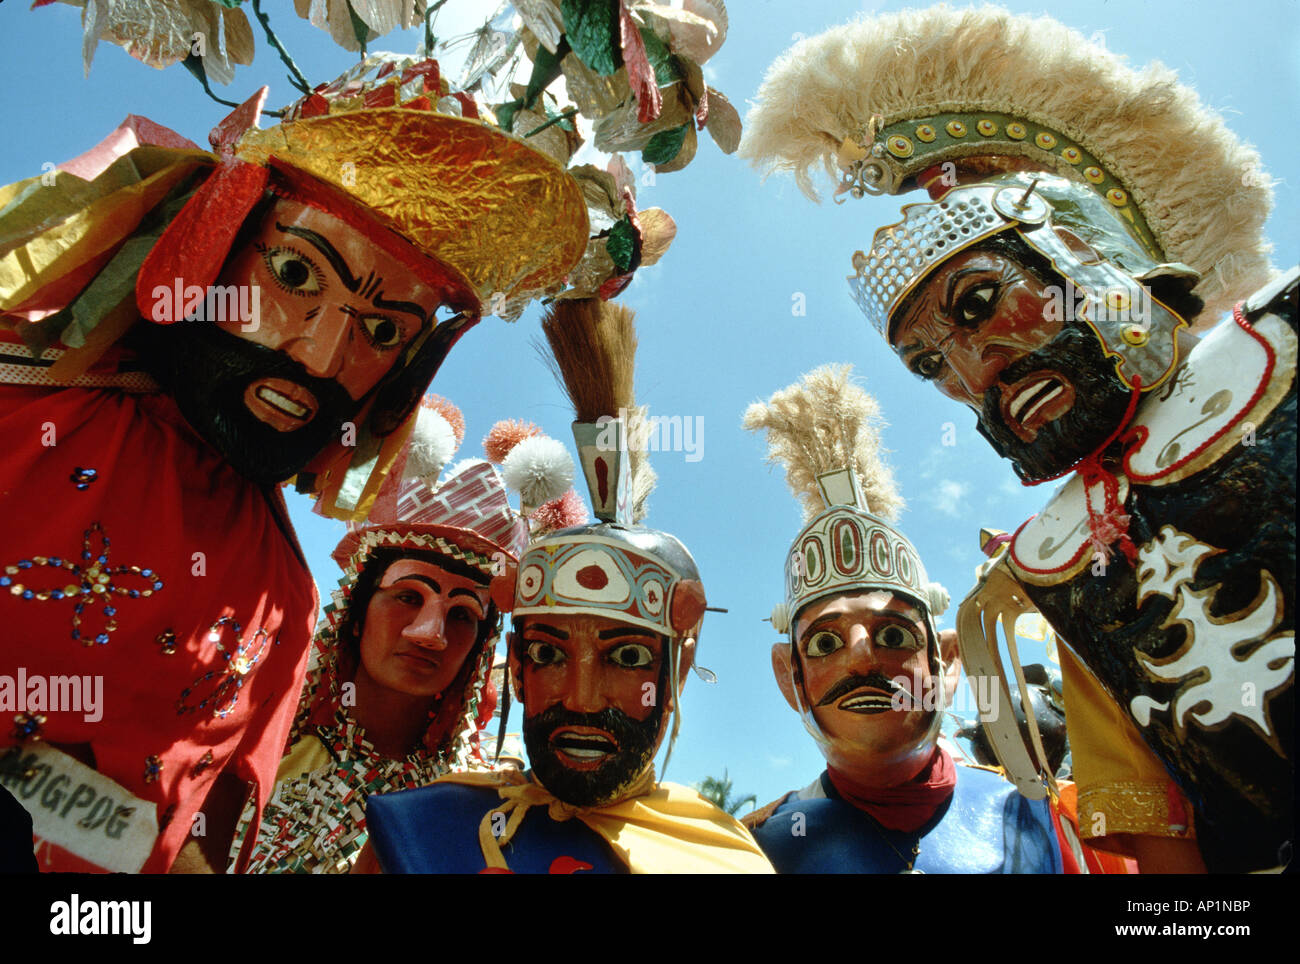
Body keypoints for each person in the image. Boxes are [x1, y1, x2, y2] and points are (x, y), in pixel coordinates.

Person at [0, 57, 586, 872]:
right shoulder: (22, 411)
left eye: (382, 332)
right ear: (215, 235)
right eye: (295, 273)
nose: (319, 354)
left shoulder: (282, 595)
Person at [741, 7, 1292, 872]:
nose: (975, 368)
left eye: (978, 305)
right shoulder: (1064, 560)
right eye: (931, 363)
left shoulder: (1281, 353)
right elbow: (1166, 866)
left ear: (1080, 260)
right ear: (786, 678)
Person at [355, 299, 773, 873]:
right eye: (548, 653)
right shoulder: (417, 831)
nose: (580, 698)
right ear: (516, 668)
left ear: (678, 667)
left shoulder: (723, 858)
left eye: (626, 656)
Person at [741, 365, 1062, 874]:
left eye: (894, 634)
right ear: (790, 678)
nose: (864, 655)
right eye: (825, 644)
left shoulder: (1048, 814)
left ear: (948, 663)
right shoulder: (753, 850)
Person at [228, 398, 539, 873]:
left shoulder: (484, 803)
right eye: (408, 596)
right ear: (355, 611)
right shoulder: (246, 734)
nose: (429, 635)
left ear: (481, 646)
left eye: (461, 616)